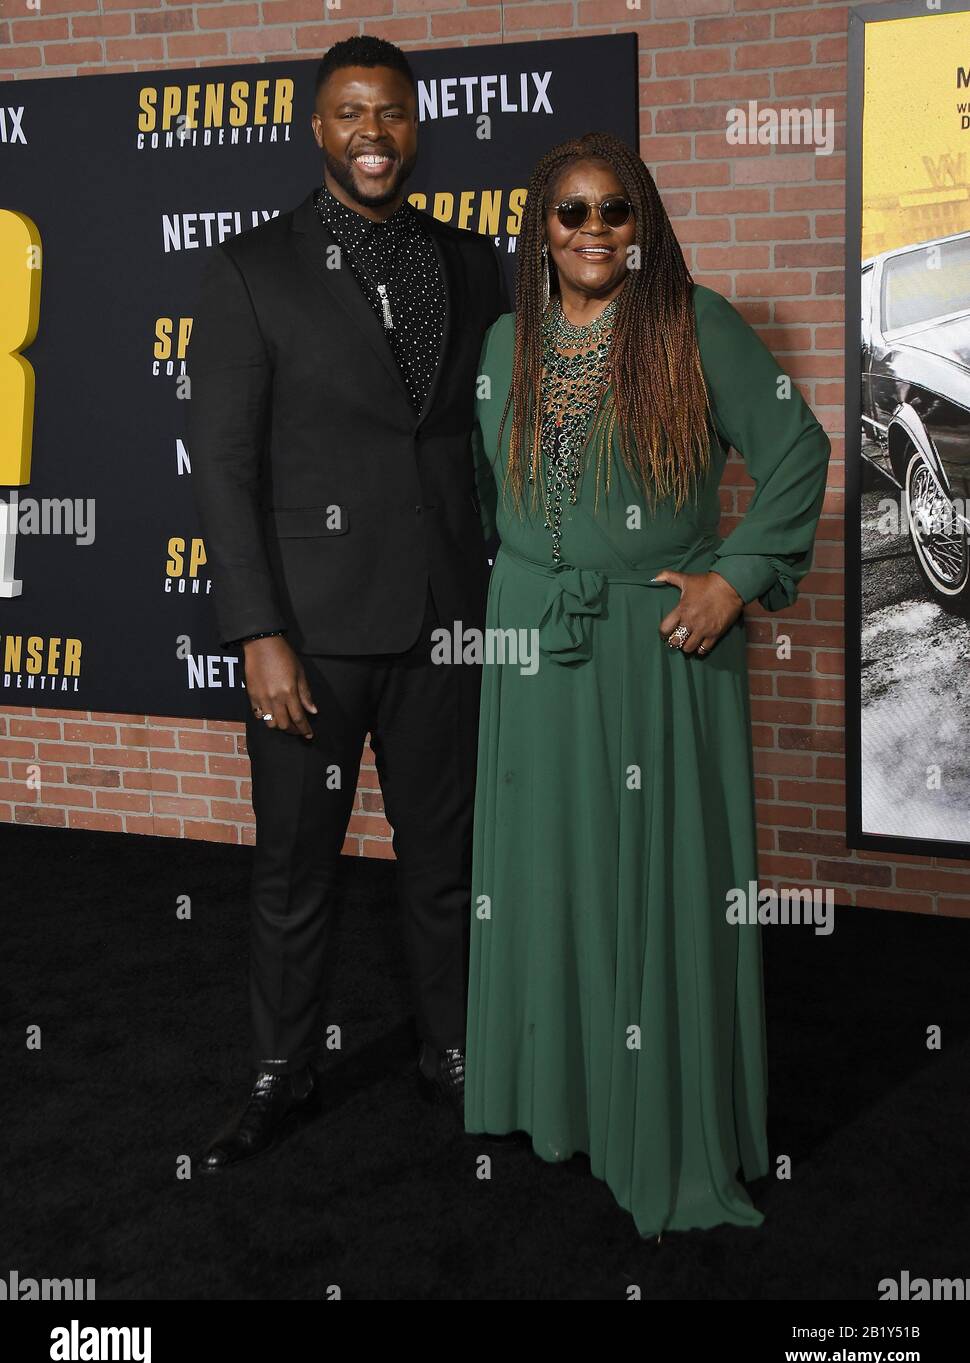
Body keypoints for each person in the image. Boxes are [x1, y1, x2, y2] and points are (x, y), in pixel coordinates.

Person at [464, 131, 831, 1238]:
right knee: (549, 870)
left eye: (612, 211)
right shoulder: (503, 343)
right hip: (534, 642)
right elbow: (502, 497)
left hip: (654, 647)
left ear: (644, 224)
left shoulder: (694, 324)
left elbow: (799, 450)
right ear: (542, 228)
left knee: (654, 879)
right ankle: (558, 1100)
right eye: (569, 213)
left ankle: (660, 1128)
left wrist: (734, 577)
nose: (590, 232)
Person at [186, 36, 508, 1171]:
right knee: (294, 865)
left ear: (417, 128)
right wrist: (257, 632)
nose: (375, 132)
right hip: (312, 636)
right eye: (350, 112)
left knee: (447, 859)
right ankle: (281, 1073)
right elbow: (223, 467)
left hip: (446, 618)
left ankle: (456, 1052)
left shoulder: (477, 265)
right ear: (316, 129)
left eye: (393, 112)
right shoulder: (250, 271)